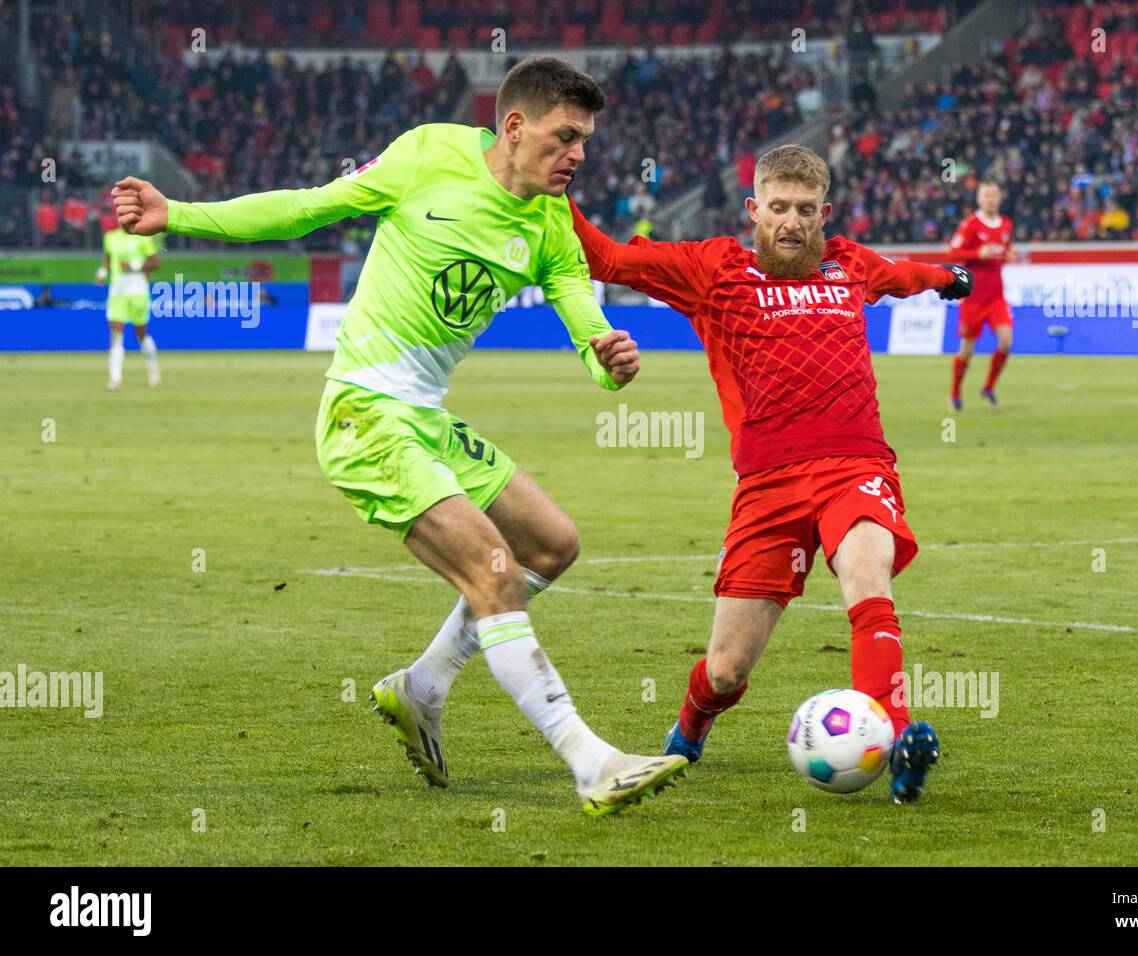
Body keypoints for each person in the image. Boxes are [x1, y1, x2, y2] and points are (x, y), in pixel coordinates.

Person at [110, 55, 685, 815]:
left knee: (551, 544)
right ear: (515, 127)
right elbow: (305, 210)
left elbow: (588, 331)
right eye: (565, 136)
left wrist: (611, 359)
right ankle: (590, 762)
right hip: (364, 413)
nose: (578, 154)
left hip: (424, 420)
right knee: (497, 575)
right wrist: (177, 213)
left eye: (585, 140)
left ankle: (422, 686)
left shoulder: (551, 226)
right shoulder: (427, 155)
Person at [569, 145, 974, 803]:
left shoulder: (847, 262)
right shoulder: (712, 270)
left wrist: (946, 277)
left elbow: (902, 274)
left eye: (806, 210)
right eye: (780, 208)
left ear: (824, 215)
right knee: (726, 670)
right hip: (767, 487)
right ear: (754, 209)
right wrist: (553, 183)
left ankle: (897, 741)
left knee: (867, 573)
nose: (792, 222)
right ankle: (689, 730)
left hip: (856, 465)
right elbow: (607, 257)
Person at [947, 181, 1017, 410]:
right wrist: (978, 252)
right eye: (986, 195)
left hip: (996, 298)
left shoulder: (1006, 225)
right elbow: (953, 253)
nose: (990, 199)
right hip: (973, 299)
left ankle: (988, 387)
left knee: (1006, 341)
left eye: (994, 195)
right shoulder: (970, 225)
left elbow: (1002, 252)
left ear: (1000, 197)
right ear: (979, 199)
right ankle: (955, 393)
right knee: (967, 349)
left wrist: (1009, 256)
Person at [97, 215, 162, 391]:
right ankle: (115, 379)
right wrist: (102, 273)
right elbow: (108, 259)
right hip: (118, 291)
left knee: (141, 335)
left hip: (138, 290)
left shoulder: (144, 237)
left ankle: (153, 367)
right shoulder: (110, 238)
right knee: (116, 335)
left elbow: (155, 263)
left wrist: (135, 268)